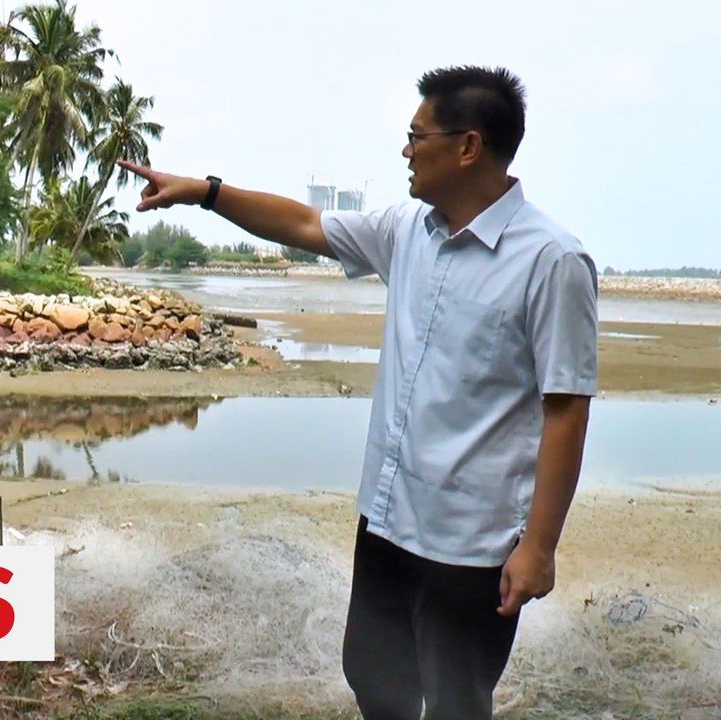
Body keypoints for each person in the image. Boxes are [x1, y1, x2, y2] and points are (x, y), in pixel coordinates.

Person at [119, 66, 597, 719]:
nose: (405, 151)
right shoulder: (407, 230)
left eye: (415, 136)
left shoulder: (552, 260)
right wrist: (207, 192)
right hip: (387, 520)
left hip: (471, 545)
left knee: (459, 701)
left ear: (468, 146)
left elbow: (566, 409)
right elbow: (307, 226)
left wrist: (539, 546)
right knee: (374, 682)